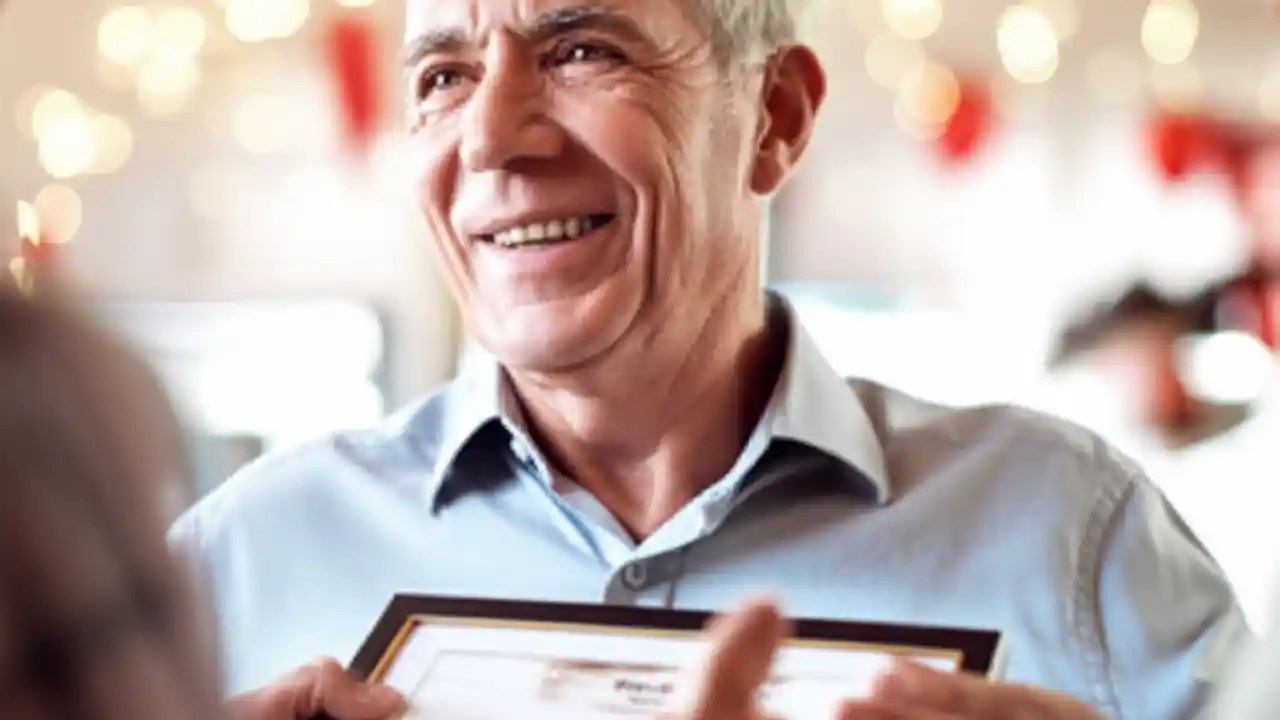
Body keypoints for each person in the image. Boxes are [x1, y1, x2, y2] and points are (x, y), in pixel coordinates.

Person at [173, 0, 1246, 717]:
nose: (492, 135)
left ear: (774, 118)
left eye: (582, 48)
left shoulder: (1074, 539)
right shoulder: (230, 570)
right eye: (444, 76)